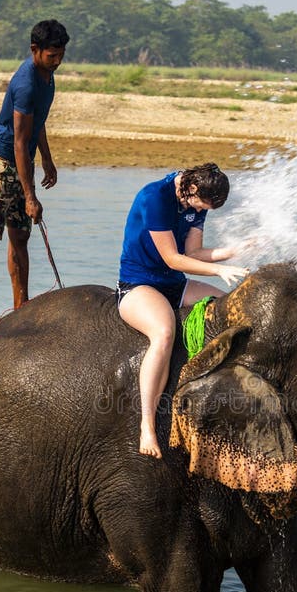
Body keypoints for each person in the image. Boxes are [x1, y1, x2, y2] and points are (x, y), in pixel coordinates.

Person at [117, 163, 248, 459]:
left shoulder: (196, 202)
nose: (205, 211)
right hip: (139, 285)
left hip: (176, 285)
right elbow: (173, 258)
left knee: (232, 305)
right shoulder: (156, 197)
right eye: (203, 205)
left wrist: (234, 250)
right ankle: (147, 426)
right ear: (191, 189)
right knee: (163, 333)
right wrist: (217, 269)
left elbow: (193, 254)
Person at [0, 19, 70, 328]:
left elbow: (36, 125)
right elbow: (19, 139)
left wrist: (48, 160)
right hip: (2, 162)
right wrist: (30, 196)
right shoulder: (26, 83)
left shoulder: (48, 77)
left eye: (61, 54)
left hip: (23, 159)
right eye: (52, 55)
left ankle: (20, 304)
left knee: (20, 236)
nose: (57, 61)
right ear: (34, 50)